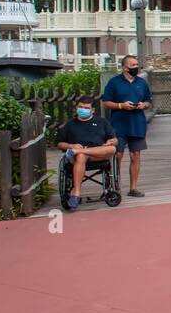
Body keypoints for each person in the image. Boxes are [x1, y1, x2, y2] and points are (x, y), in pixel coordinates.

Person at [56, 95, 118, 211]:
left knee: (112, 149)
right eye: (80, 107)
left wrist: (111, 141)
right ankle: (76, 193)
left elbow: (115, 140)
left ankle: (79, 151)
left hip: (98, 155)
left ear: (92, 110)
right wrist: (71, 146)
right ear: (76, 108)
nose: (83, 109)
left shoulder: (102, 122)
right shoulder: (70, 125)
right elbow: (59, 144)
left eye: (86, 107)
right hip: (78, 158)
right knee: (81, 156)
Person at [102, 55, 152, 196]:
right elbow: (105, 102)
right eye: (133, 65)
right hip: (119, 124)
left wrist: (144, 105)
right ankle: (115, 185)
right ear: (125, 67)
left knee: (135, 154)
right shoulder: (114, 83)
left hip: (137, 124)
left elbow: (148, 101)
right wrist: (121, 105)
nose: (136, 67)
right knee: (118, 154)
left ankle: (133, 188)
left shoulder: (142, 83)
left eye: (137, 64)